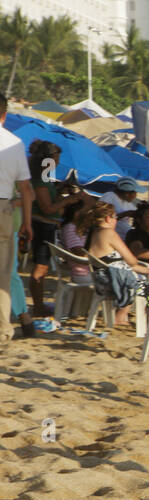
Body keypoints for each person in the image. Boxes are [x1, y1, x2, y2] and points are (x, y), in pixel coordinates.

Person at [79, 201, 149, 328]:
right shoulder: (109, 233)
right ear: (108, 218)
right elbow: (132, 261)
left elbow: (120, 265)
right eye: (115, 218)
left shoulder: (93, 234)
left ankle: (120, 316)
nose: (116, 221)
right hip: (116, 285)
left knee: (141, 280)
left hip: (103, 283)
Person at [27, 142, 83, 319]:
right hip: (42, 225)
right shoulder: (40, 181)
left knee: (42, 268)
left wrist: (60, 190)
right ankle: (37, 306)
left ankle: (39, 305)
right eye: (57, 158)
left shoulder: (43, 178)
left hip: (45, 225)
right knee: (40, 267)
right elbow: (48, 208)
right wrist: (70, 199)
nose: (58, 162)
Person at [0, 93, 34, 343]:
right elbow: (26, 190)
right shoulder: (14, 143)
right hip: (3, 211)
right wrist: (27, 224)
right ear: (5, 114)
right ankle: (3, 329)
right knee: (4, 272)